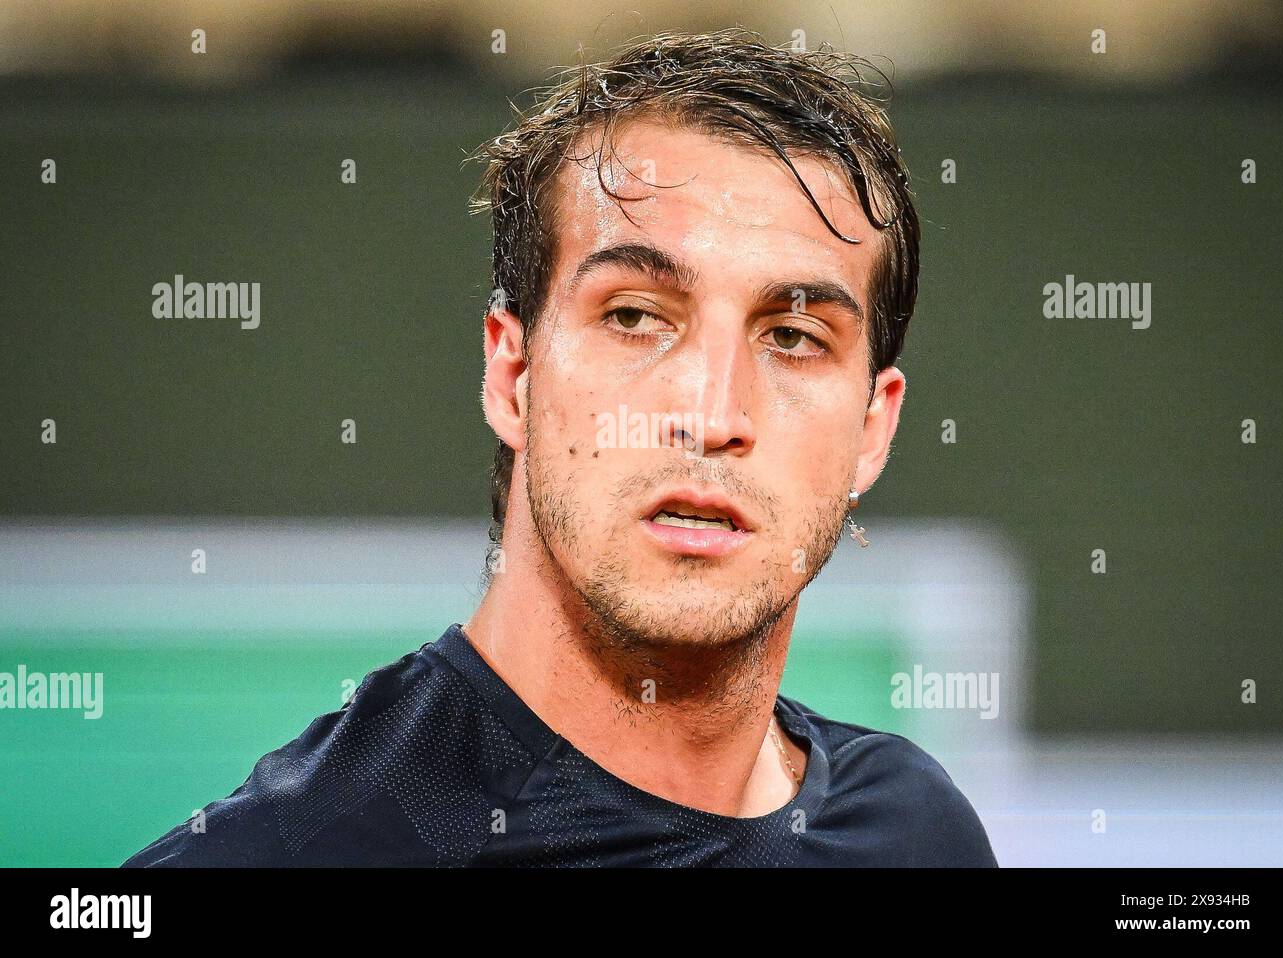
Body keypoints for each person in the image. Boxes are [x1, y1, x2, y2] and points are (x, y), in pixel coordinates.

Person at [124, 28, 997, 867]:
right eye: (634, 316)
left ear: (873, 432)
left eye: (796, 335)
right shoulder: (290, 854)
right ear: (512, 376)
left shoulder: (915, 834)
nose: (712, 412)